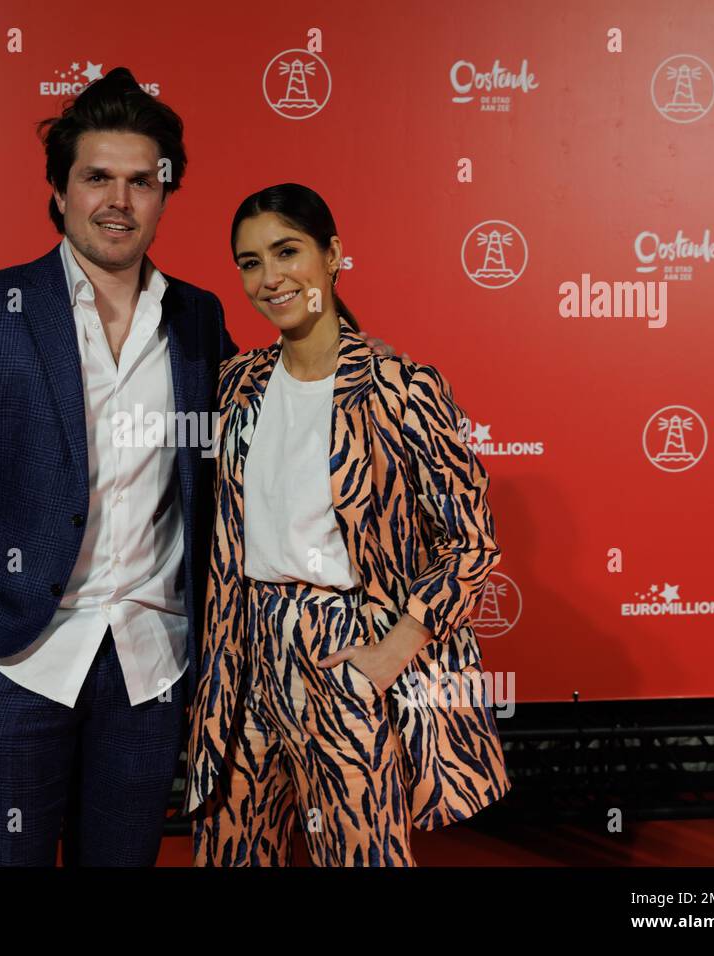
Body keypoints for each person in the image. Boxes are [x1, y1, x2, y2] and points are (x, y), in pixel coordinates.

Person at [0, 67, 238, 865]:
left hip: (149, 666)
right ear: (60, 191)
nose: (121, 200)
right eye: (98, 178)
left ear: (165, 193)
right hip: (12, 664)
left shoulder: (198, 319)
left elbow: (231, 471)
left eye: (143, 181)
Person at [183, 183, 511, 866]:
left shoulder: (400, 387)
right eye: (249, 263)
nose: (270, 278)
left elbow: (471, 540)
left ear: (332, 255)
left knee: (361, 855)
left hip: (344, 646)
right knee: (228, 851)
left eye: (286, 251)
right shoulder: (235, 384)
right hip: (242, 652)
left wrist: (390, 654)